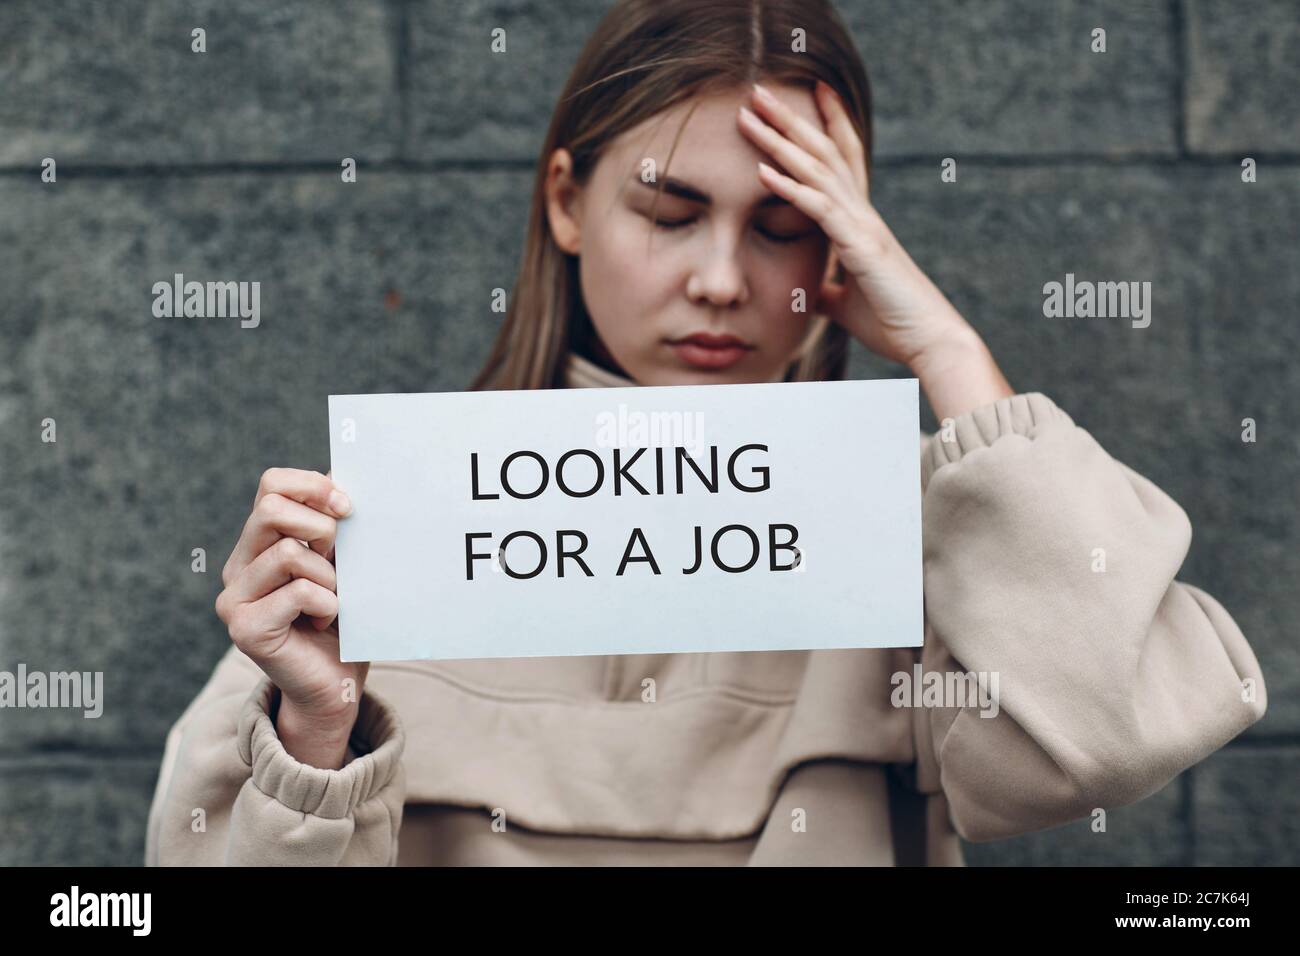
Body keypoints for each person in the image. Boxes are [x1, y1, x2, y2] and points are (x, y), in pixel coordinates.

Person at [145, 0, 1267, 865]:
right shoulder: (386, 532)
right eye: (669, 212)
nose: (723, 279)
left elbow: (1114, 734)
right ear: (566, 201)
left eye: (784, 225)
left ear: (839, 248)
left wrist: (943, 346)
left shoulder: (919, 550)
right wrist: (314, 726)